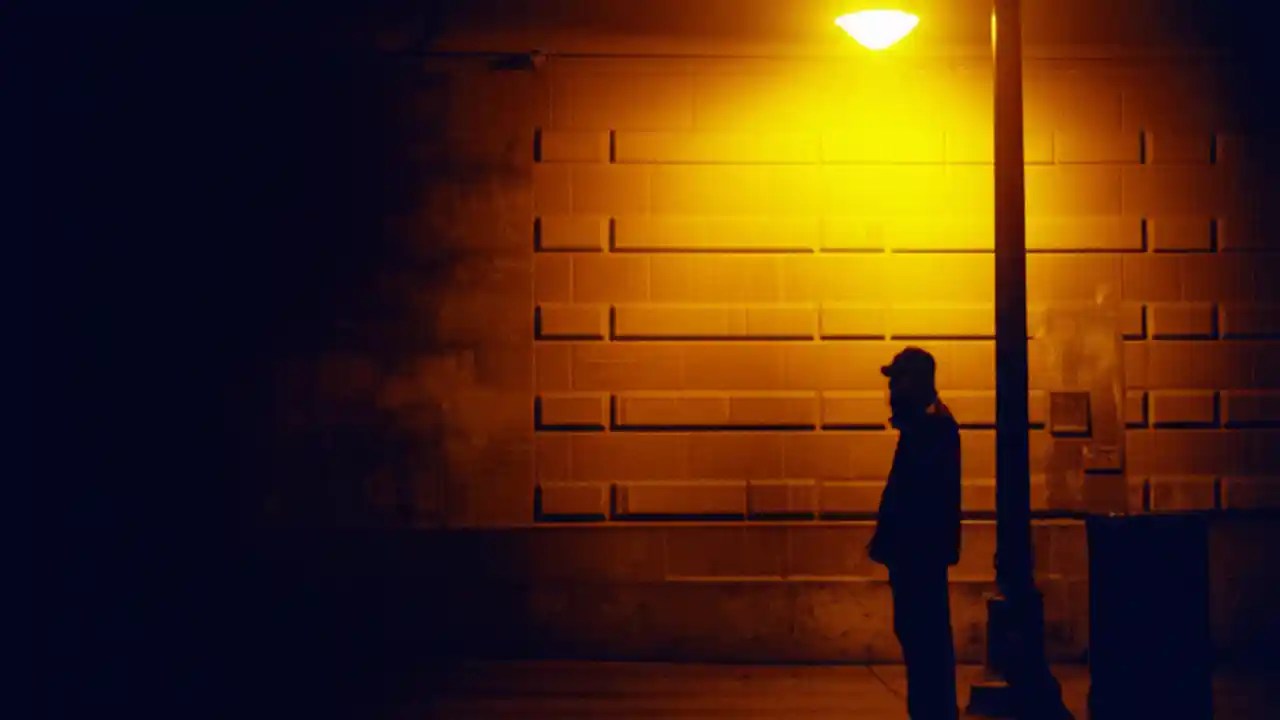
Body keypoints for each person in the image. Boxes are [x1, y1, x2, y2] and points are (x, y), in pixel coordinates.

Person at [868, 346, 962, 719]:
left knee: (924, 638)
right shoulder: (924, 425)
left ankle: (932, 712)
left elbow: (917, 495)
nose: (891, 392)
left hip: (919, 554)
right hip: (916, 553)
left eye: (897, 381)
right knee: (918, 635)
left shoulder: (931, 427)